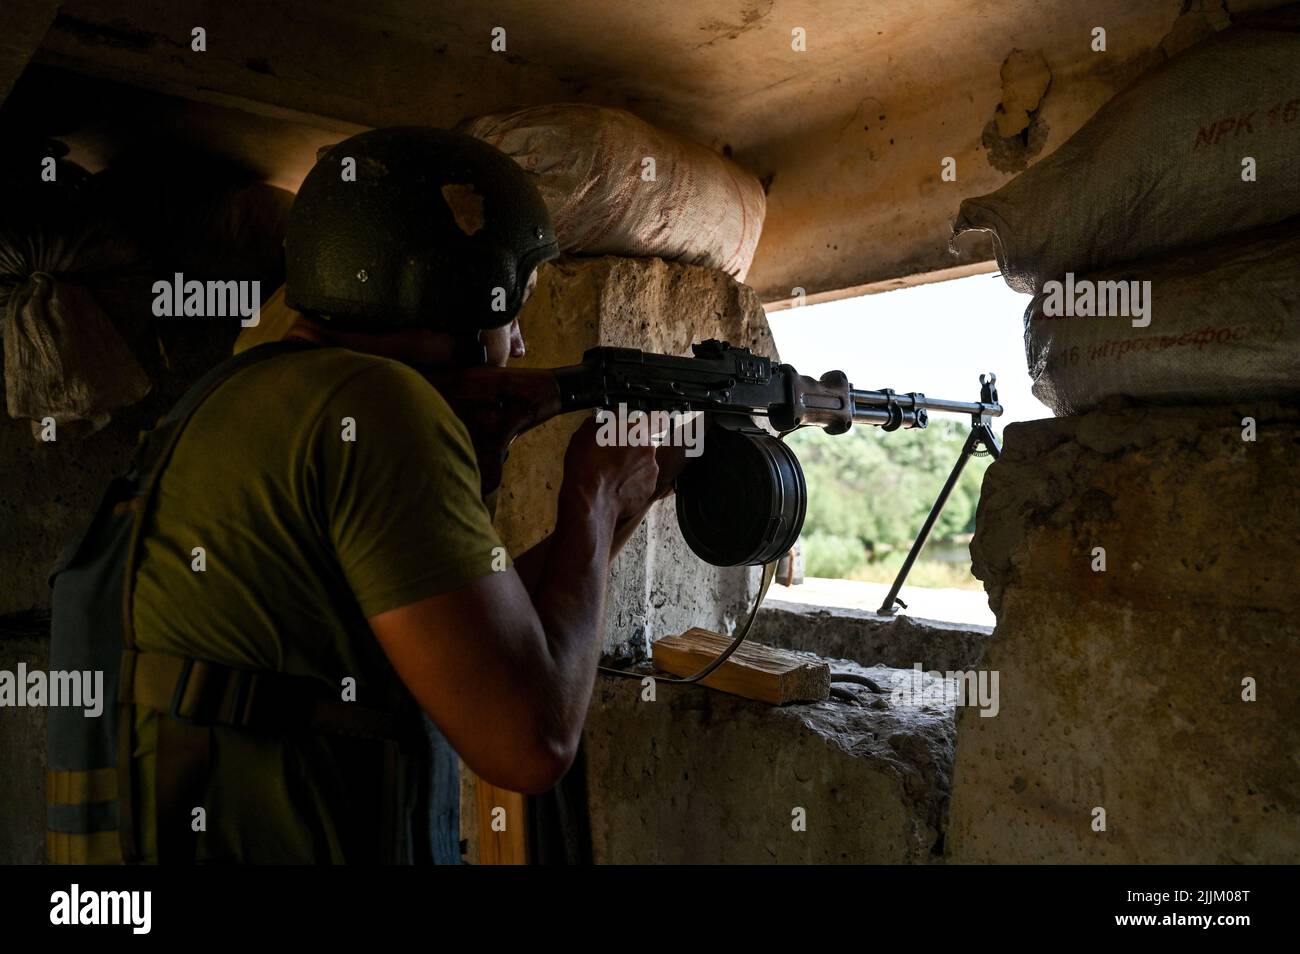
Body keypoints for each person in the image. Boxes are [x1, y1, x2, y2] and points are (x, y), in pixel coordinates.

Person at [120, 127, 671, 862]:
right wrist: (594, 494)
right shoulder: (382, 407)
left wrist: (622, 504)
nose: (524, 345)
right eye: (515, 312)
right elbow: (531, 745)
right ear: (452, 291)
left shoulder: (234, 394)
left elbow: (482, 648)